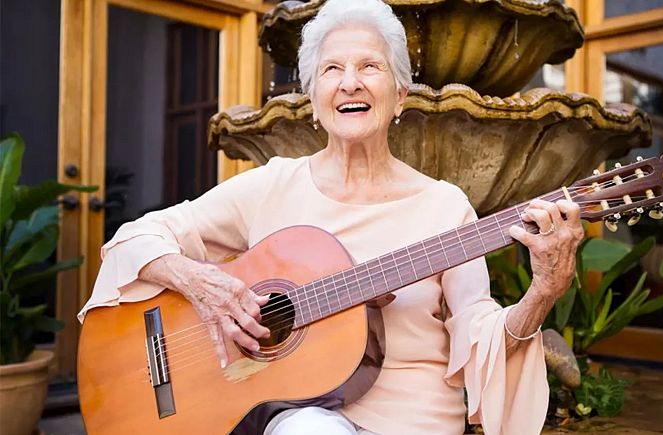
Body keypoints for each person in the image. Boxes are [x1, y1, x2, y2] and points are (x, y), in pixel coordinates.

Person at [78, 0, 584, 433]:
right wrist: (198, 283)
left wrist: (543, 292)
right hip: (302, 418)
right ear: (314, 102)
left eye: (370, 67)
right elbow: (138, 236)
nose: (350, 84)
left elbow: (480, 334)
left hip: (413, 418)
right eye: (332, 69)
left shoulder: (444, 206)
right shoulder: (272, 186)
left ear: (400, 97)